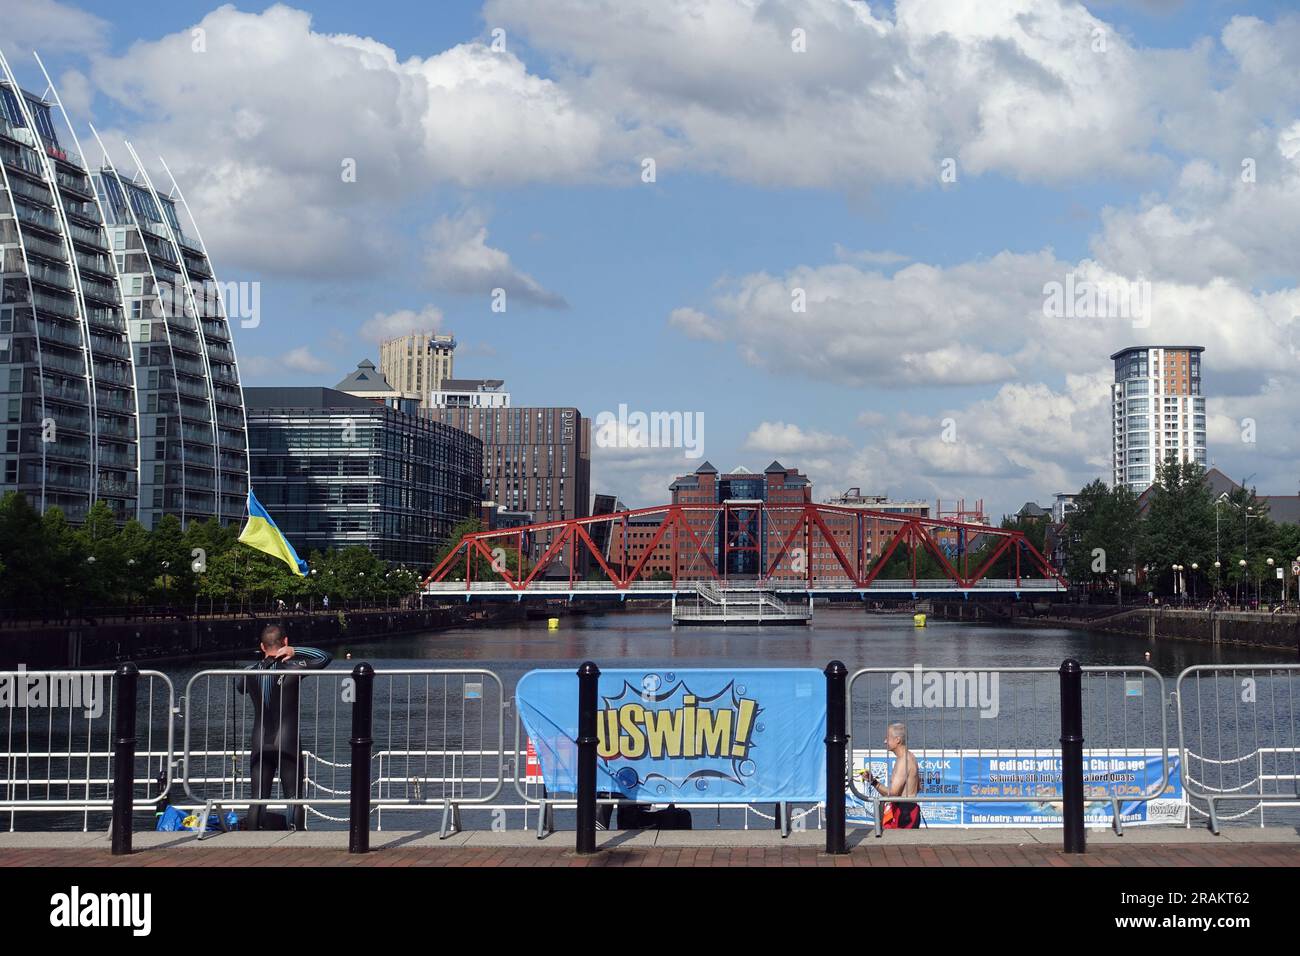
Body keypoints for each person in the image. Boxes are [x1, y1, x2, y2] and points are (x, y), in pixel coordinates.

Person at [235, 625, 332, 830]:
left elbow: (239, 686)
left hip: (260, 741)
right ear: (285, 643)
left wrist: (259, 665)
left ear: (262, 646)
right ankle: (295, 839)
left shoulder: (249, 673)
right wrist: (295, 652)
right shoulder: (293, 668)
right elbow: (324, 657)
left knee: (258, 797)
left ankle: (250, 842)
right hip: (287, 741)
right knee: (294, 797)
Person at [863, 721, 921, 829]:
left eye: (888, 738)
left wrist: (873, 782)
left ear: (897, 740)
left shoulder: (903, 761)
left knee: (900, 844)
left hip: (904, 812)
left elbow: (893, 793)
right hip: (908, 808)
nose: (885, 741)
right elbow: (919, 787)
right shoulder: (910, 756)